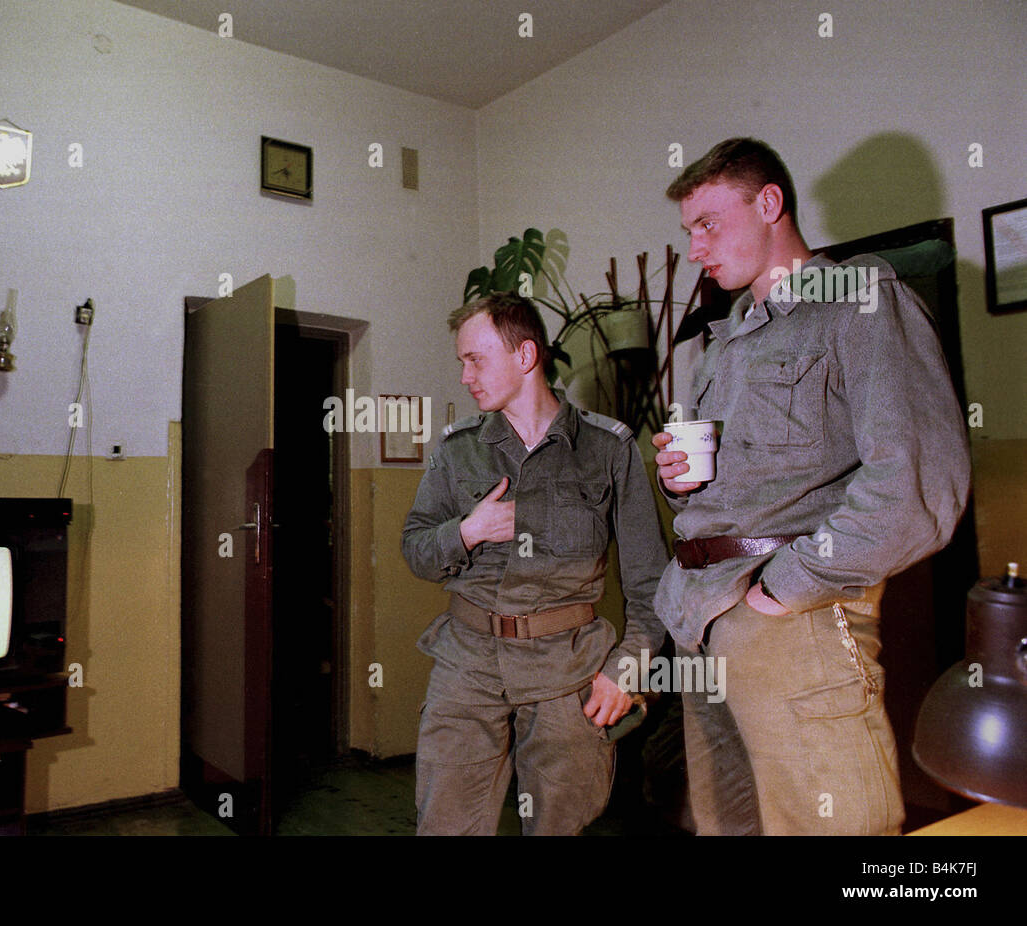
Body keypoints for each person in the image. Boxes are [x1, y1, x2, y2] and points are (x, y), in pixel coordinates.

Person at [652, 138, 970, 835]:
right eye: (688, 232)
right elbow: (727, 491)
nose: (696, 246)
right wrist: (681, 482)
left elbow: (918, 483)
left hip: (789, 621)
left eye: (708, 223)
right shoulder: (722, 345)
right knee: (727, 827)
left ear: (769, 203)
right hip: (702, 621)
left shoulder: (858, 299)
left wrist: (785, 588)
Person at [402, 292, 668, 835]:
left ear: (525, 357)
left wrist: (626, 669)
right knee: (444, 825)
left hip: (568, 672)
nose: (464, 376)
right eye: (462, 362)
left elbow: (651, 582)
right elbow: (416, 549)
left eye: (474, 359)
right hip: (466, 665)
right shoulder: (458, 450)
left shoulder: (608, 449)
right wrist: (468, 532)